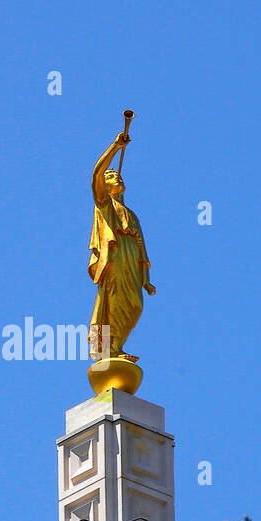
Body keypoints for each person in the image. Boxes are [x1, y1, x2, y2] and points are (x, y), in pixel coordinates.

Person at [88, 129, 155, 362]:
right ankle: (111, 348)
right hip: (115, 257)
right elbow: (96, 173)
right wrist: (115, 146)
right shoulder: (104, 205)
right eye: (112, 176)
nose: (117, 177)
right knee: (113, 302)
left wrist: (145, 277)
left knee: (135, 305)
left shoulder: (132, 215)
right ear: (104, 186)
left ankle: (117, 345)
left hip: (131, 261)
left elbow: (142, 249)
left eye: (118, 175)